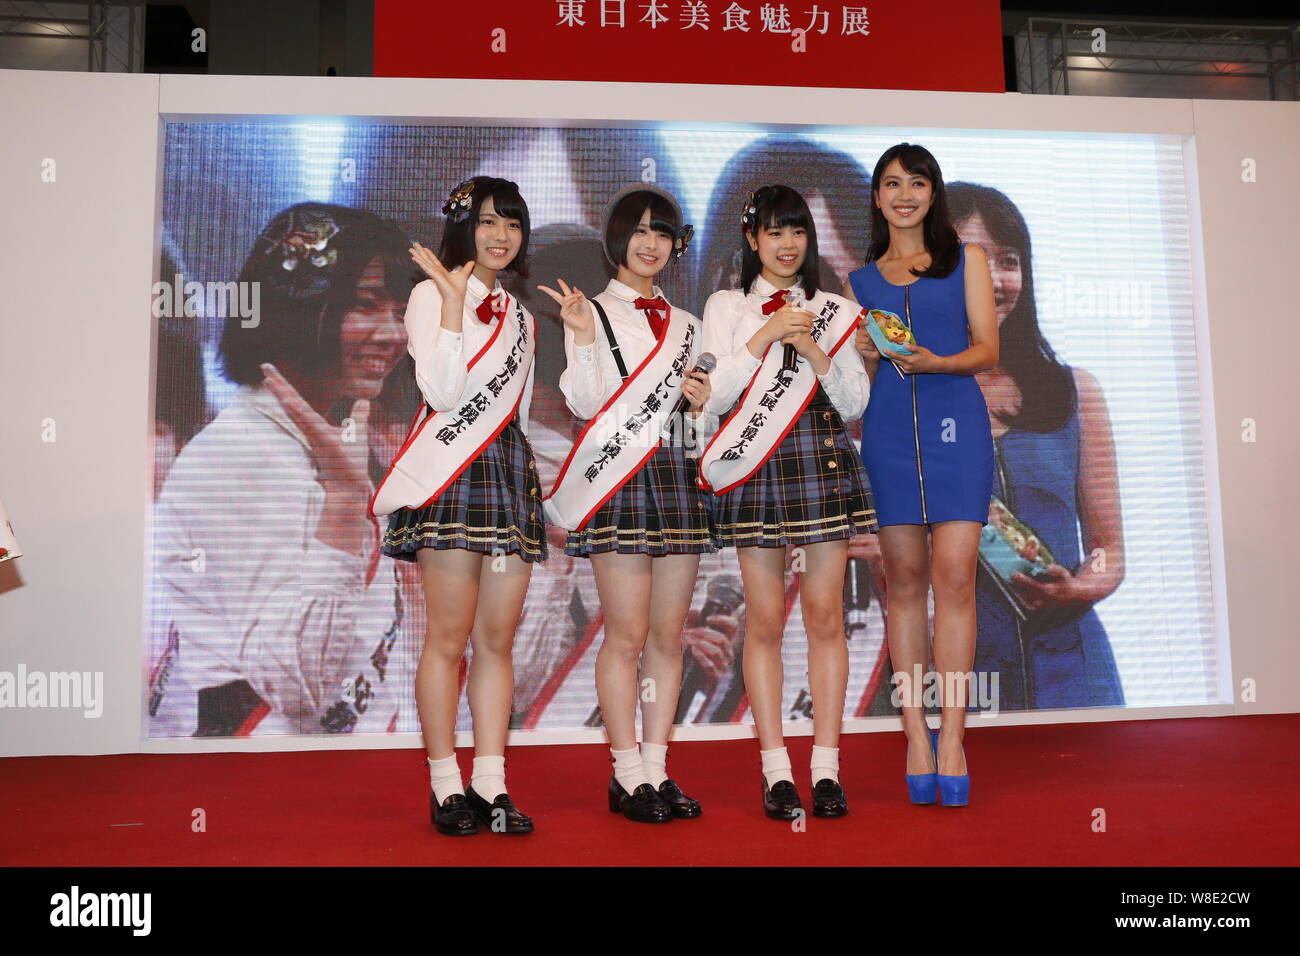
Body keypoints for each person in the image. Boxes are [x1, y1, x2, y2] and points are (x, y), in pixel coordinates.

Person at [154, 203, 415, 739]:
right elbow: (296, 691)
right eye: (365, 305)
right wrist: (344, 507)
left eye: (402, 309)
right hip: (267, 786)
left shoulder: (335, 435)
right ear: (298, 308)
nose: (394, 334)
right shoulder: (238, 456)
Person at [372, 177, 544, 836]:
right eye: (490, 222)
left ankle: (491, 784)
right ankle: (445, 785)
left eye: (514, 224)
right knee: (447, 638)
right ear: (464, 228)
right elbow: (442, 393)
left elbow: (520, 415)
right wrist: (450, 305)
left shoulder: (522, 316)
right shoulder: (427, 294)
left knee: (495, 641)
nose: (502, 236)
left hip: (505, 476)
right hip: (451, 477)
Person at [699, 184, 875, 820]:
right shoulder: (724, 305)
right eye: (774, 232)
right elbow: (713, 397)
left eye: (797, 232)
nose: (787, 244)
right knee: (766, 621)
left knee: (825, 618)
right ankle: (776, 770)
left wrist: (813, 350)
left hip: (821, 464)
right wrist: (766, 334)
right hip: (756, 468)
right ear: (752, 240)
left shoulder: (835, 309)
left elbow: (854, 403)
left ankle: (826, 767)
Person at [540, 184, 713, 823]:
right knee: (626, 634)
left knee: (668, 636)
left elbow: (695, 427)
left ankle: (659, 769)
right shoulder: (596, 311)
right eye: (639, 231)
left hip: (676, 478)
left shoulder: (690, 326)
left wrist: (698, 406)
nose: (650, 244)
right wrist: (582, 336)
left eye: (662, 233)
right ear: (617, 240)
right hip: (618, 482)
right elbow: (585, 404)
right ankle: (624, 772)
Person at [846, 144, 999, 807]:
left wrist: (933, 363)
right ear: (877, 199)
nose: (903, 193)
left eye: (916, 182)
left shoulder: (967, 259)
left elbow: (988, 348)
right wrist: (859, 353)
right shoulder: (857, 282)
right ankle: (915, 732)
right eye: (890, 184)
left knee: (955, 577)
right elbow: (856, 377)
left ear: (932, 193)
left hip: (958, 429)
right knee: (903, 583)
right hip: (887, 436)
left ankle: (956, 737)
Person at [948, 182, 1125, 709]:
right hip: (964, 679)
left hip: (1073, 668)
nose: (997, 281)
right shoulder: (902, 400)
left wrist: (1080, 587)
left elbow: (1108, 550)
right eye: (972, 261)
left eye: (1009, 260)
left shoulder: (1074, 393)